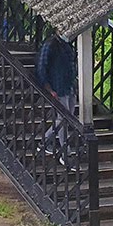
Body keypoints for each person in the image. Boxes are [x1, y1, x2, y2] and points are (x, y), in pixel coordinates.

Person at [36, 35, 77, 164]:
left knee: (65, 119)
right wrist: (48, 88)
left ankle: (45, 141)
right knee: (62, 119)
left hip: (69, 87)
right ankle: (65, 152)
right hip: (57, 87)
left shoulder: (67, 45)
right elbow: (42, 67)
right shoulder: (50, 45)